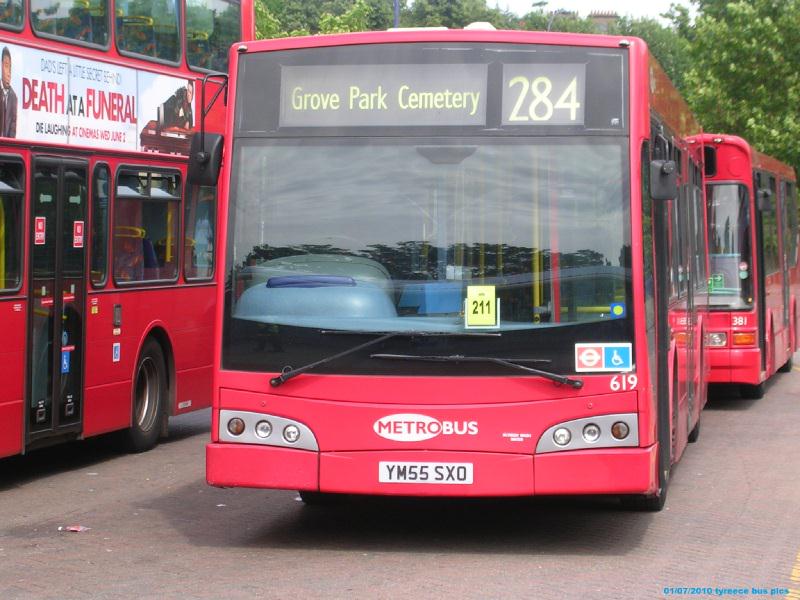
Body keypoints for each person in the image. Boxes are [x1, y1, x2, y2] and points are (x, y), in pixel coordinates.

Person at [0, 46, 17, 138]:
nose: (9, 73)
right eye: (6, 66)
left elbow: (13, 127)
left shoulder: (13, 97)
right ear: (1, 66)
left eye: (10, 68)